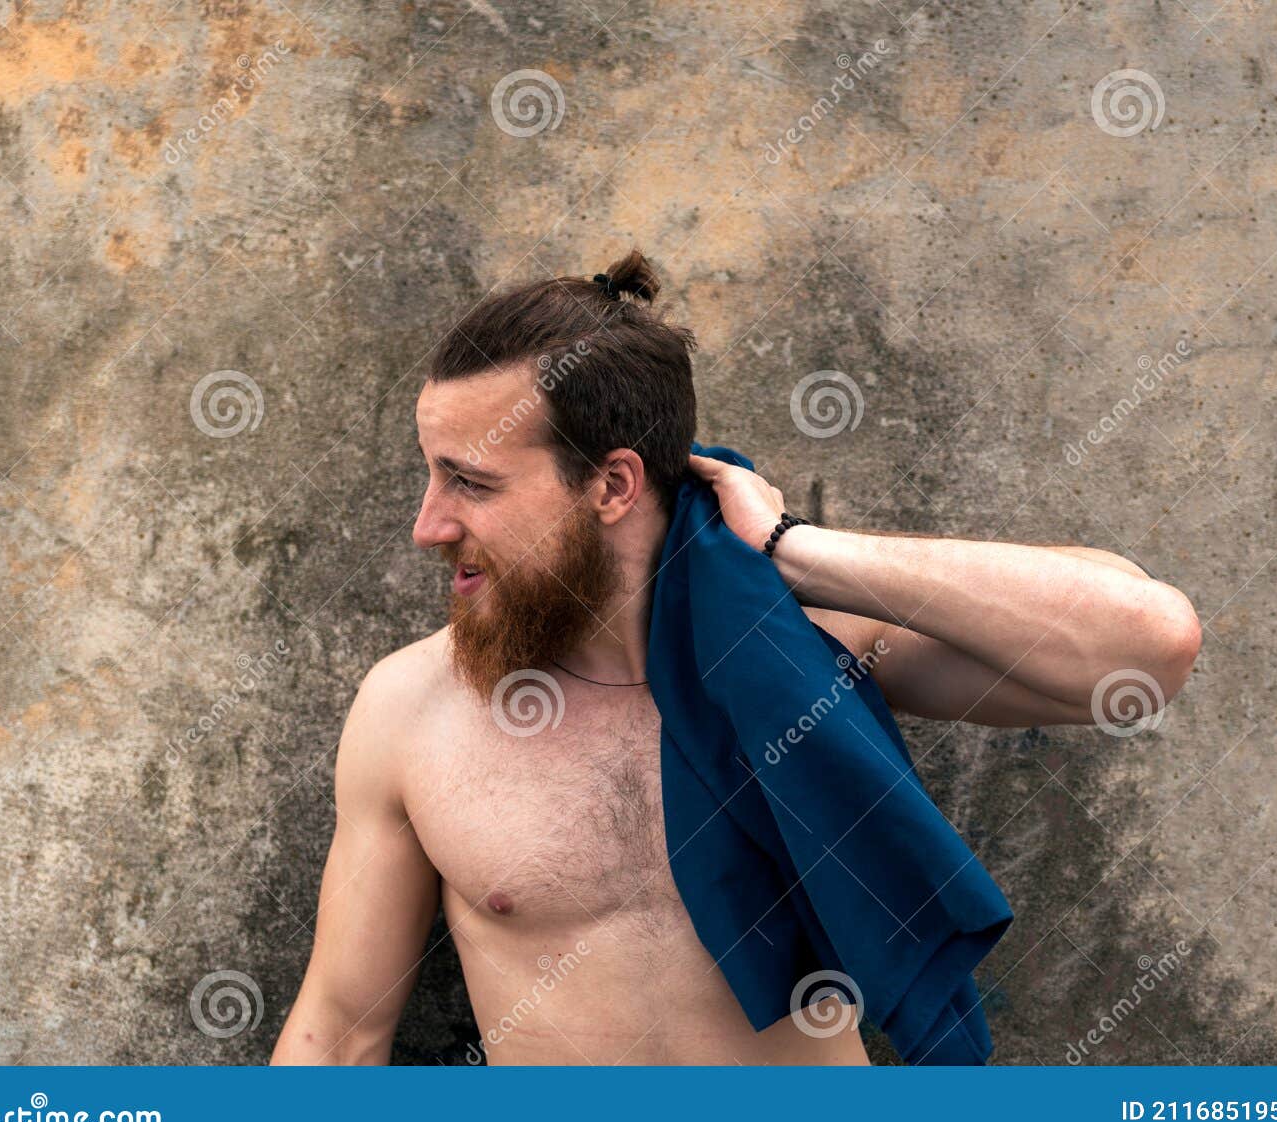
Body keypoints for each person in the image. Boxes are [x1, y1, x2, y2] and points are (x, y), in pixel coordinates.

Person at [270, 251, 1201, 1065]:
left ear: (612, 484)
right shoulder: (410, 709)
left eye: (469, 482)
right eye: (430, 476)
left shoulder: (809, 650)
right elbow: (340, 1033)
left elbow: (1148, 649)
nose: (427, 525)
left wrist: (797, 551)